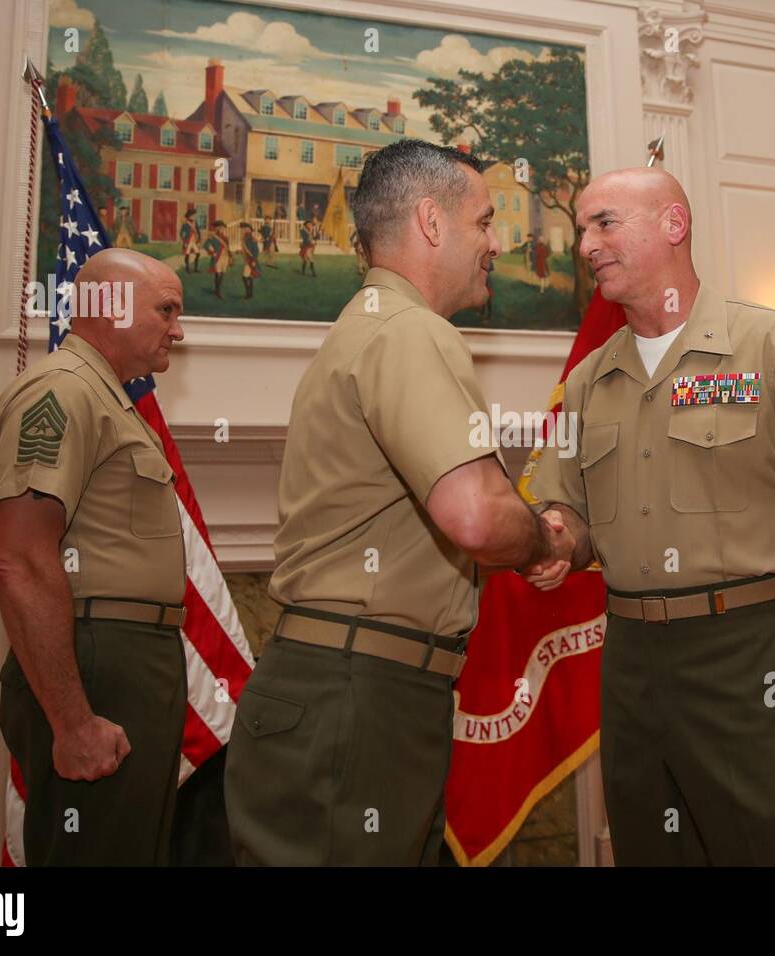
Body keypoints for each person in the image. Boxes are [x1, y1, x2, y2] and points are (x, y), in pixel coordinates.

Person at [523, 167, 775, 866]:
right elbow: (567, 518)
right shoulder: (585, 383)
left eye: (604, 222)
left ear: (673, 225)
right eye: (580, 229)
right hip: (631, 659)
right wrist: (546, 540)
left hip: (747, 651)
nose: (584, 245)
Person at [224, 139, 573, 866]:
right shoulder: (412, 332)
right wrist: (543, 540)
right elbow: (475, 516)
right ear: (431, 222)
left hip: (346, 688)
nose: (497, 242)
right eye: (482, 222)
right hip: (359, 698)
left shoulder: (364, 326)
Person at [0, 248, 188, 865]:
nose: (179, 328)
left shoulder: (106, 397)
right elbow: (18, 558)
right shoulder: (62, 393)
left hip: (125, 663)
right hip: (94, 660)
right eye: (167, 309)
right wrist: (73, 723)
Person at [203, 220, 231, 299]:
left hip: (225, 257)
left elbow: (228, 248)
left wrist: (230, 256)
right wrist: (212, 252)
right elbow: (205, 245)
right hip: (217, 257)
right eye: (220, 228)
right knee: (217, 274)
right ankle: (218, 292)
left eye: (222, 228)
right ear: (217, 228)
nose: (222, 229)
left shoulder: (226, 238)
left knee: (222, 274)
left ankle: (217, 289)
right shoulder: (213, 237)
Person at [238, 221, 260, 300]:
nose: (244, 230)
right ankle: (250, 294)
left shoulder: (252, 238)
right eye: (243, 229)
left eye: (246, 229)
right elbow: (245, 249)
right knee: (249, 277)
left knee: (245, 277)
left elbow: (256, 250)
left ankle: (248, 294)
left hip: (251, 259)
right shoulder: (245, 238)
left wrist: (254, 260)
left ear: (250, 229)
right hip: (247, 259)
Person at [179, 208, 202, 274]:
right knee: (187, 254)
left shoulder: (195, 223)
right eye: (193, 215)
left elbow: (198, 232)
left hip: (194, 241)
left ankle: (195, 269)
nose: (195, 217)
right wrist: (184, 241)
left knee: (198, 254)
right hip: (188, 242)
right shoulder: (185, 224)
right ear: (190, 216)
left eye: (195, 215)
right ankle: (187, 269)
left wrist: (199, 240)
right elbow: (181, 233)